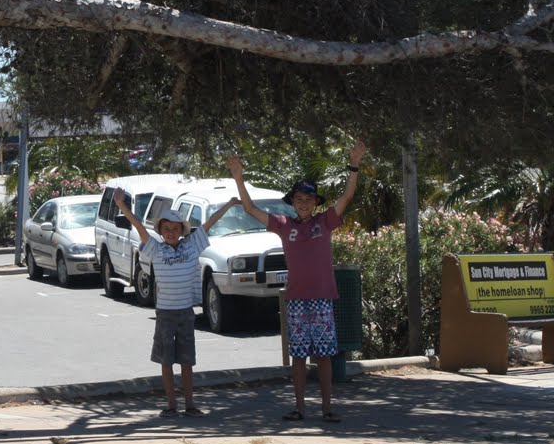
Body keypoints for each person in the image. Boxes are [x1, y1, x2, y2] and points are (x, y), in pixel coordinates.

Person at [227, 141, 367, 423]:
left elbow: (347, 197)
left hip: (322, 297)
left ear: (316, 202)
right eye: (298, 199)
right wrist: (239, 178)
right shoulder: (283, 224)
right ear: (292, 202)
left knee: (325, 355)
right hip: (296, 300)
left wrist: (354, 165)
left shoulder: (325, 222)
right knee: (299, 356)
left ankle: (327, 408)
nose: (303, 203)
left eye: (308, 199)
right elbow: (250, 208)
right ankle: (300, 408)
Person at [115, 188, 237, 417]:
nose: (171, 232)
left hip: (186, 312)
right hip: (164, 313)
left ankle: (190, 404)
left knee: (187, 361)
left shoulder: (191, 246)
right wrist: (122, 206)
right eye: (166, 229)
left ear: (182, 231)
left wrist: (229, 205)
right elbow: (140, 228)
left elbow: (209, 223)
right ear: (161, 230)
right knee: (166, 360)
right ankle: (171, 405)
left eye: (175, 229)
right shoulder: (156, 250)